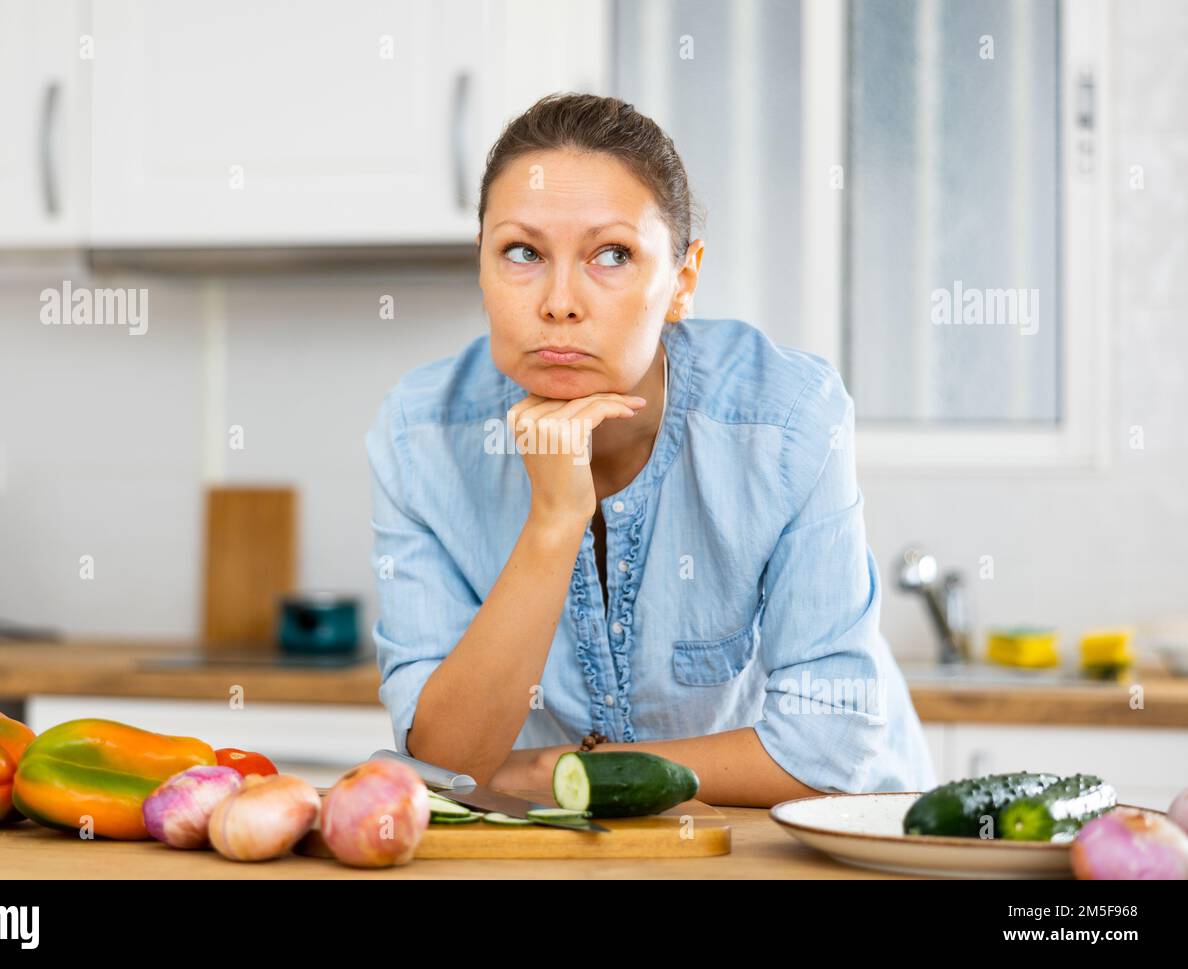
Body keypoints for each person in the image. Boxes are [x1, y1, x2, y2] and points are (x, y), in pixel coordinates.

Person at [365, 93, 936, 807]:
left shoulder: (788, 419)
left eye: (612, 255)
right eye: (522, 252)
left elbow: (827, 752)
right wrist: (554, 519)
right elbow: (450, 760)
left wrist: (549, 773)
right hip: (584, 852)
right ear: (480, 265)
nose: (560, 301)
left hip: (825, 845)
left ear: (682, 281)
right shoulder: (419, 438)